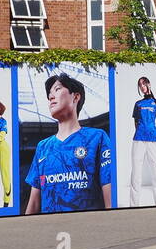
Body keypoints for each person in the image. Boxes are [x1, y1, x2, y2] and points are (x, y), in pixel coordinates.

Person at [25, 72, 113, 214]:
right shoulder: (43, 147)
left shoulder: (97, 138)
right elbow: (34, 202)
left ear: (75, 97)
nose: (51, 96)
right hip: (49, 231)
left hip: (88, 229)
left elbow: (109, 193)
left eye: (57, 89)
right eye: (49, 94)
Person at [128, 76, 156, 207]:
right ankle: (134, 205)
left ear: (149, 84)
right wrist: (141, 132)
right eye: (140, 85)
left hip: (153, 140)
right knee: (136, 173)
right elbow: (136, 122)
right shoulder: (138, 104)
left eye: (144, 84)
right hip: (138, 140)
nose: (142, 87)